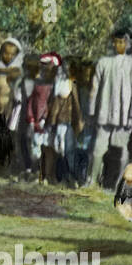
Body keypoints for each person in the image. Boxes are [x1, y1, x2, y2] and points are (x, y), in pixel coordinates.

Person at [87, 28, 132, 188]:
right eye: (117, 42)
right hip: (105, 113)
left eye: (123, 42)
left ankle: (119, 184)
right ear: (113, 43)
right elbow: (94, 89)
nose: (120, 45)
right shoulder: (104, 62)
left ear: (128, 44)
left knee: (122, 151)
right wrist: (92, 111)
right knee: (98, 148)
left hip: (124, 116)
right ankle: (92, 180)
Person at [44, 55, 83, 183]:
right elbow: (52, 102)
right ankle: (54, 176)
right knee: (55, 147)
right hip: (55, 120)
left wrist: (79, 120)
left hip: (66, 121)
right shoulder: (57, 81)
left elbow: (76, 104)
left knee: (66, 149)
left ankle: (68, 177)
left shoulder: (71, 84)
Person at [0, 37, 24, 173]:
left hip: (15, 108)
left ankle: (9, 168)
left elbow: (15, 72)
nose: (9, 56)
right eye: (6, 53)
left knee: (11, 138)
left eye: (12, 54)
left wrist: (0, 71)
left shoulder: (18, 69)